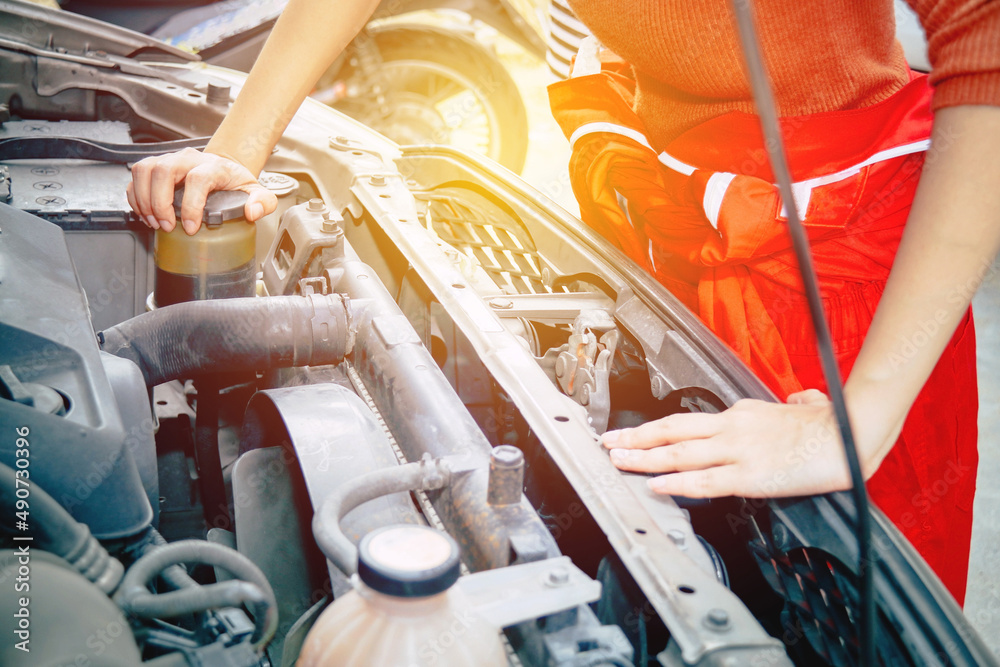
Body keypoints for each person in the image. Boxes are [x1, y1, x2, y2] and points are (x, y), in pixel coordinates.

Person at [127, 0, 1000, 605]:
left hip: (833, 264)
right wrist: (238, 150)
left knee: (824, 597)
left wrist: (860, 415)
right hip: (652, 216)